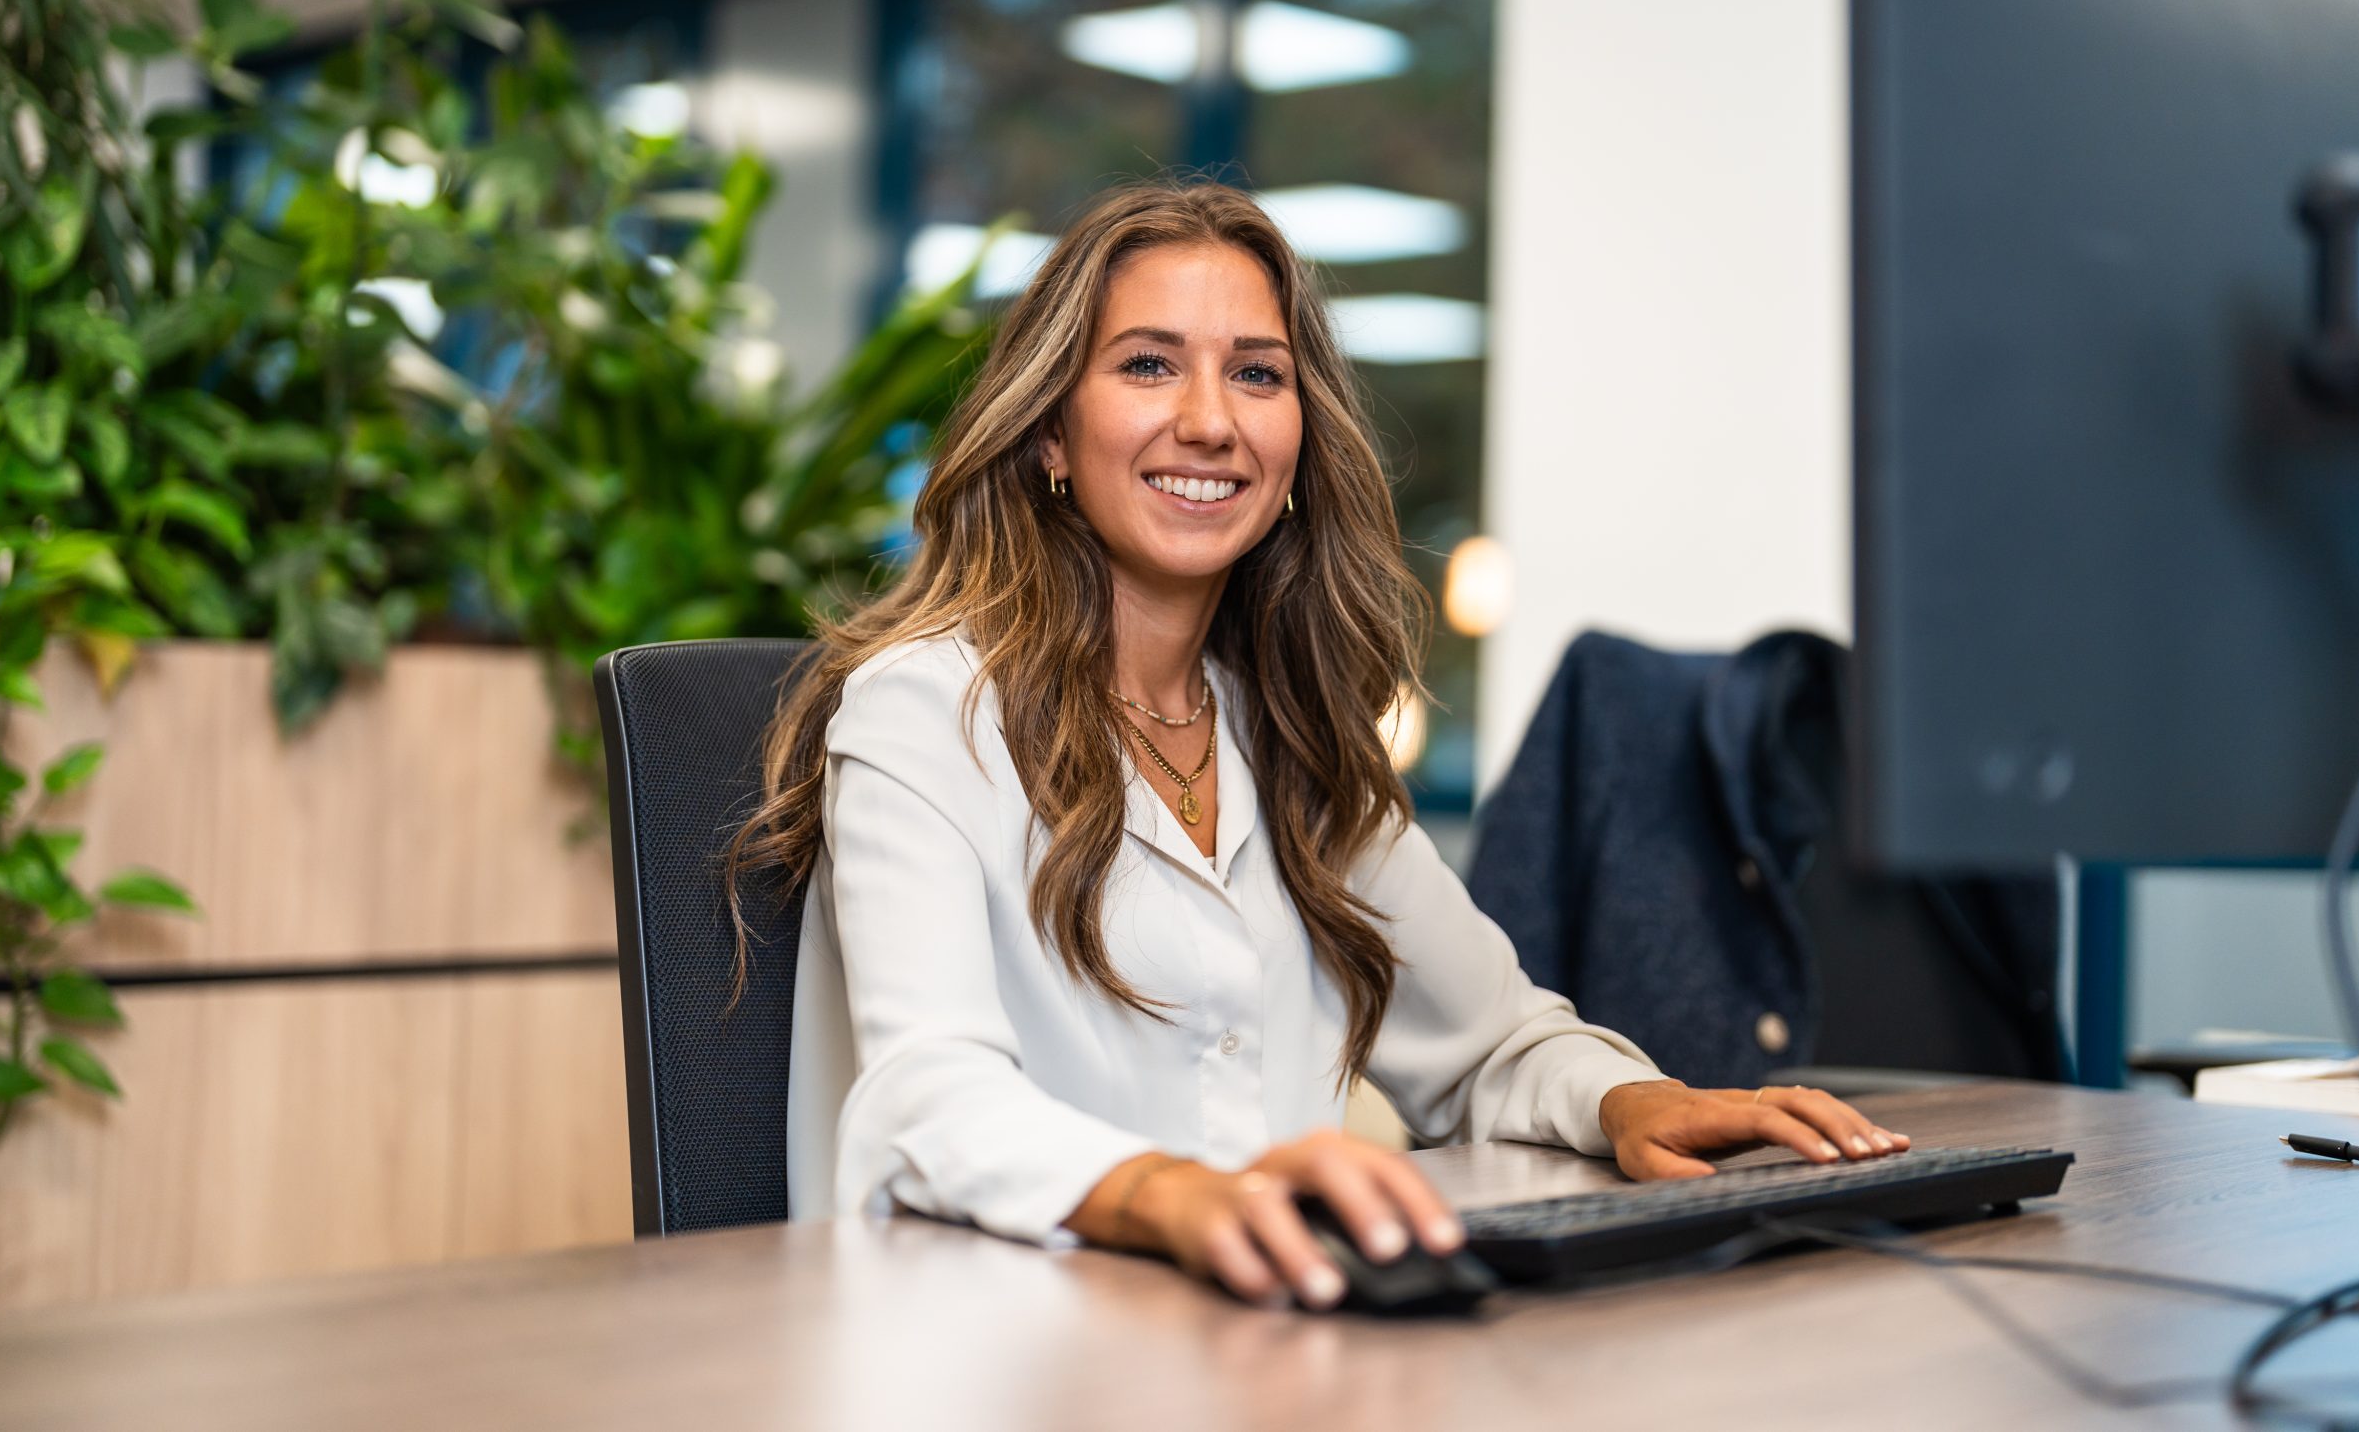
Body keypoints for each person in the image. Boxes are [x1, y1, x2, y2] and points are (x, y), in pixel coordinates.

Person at [731, 180, 1909, 1310]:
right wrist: (1175, 1195)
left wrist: (1631, 1099)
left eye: (1257, 374)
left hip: (1254, 1334)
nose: (1209, 419)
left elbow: (1487, 1041)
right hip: (988, 1351)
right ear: (1048, 428)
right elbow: (927, 1096)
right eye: (1147, 364)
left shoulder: (1281, 734)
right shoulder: (922, 708)